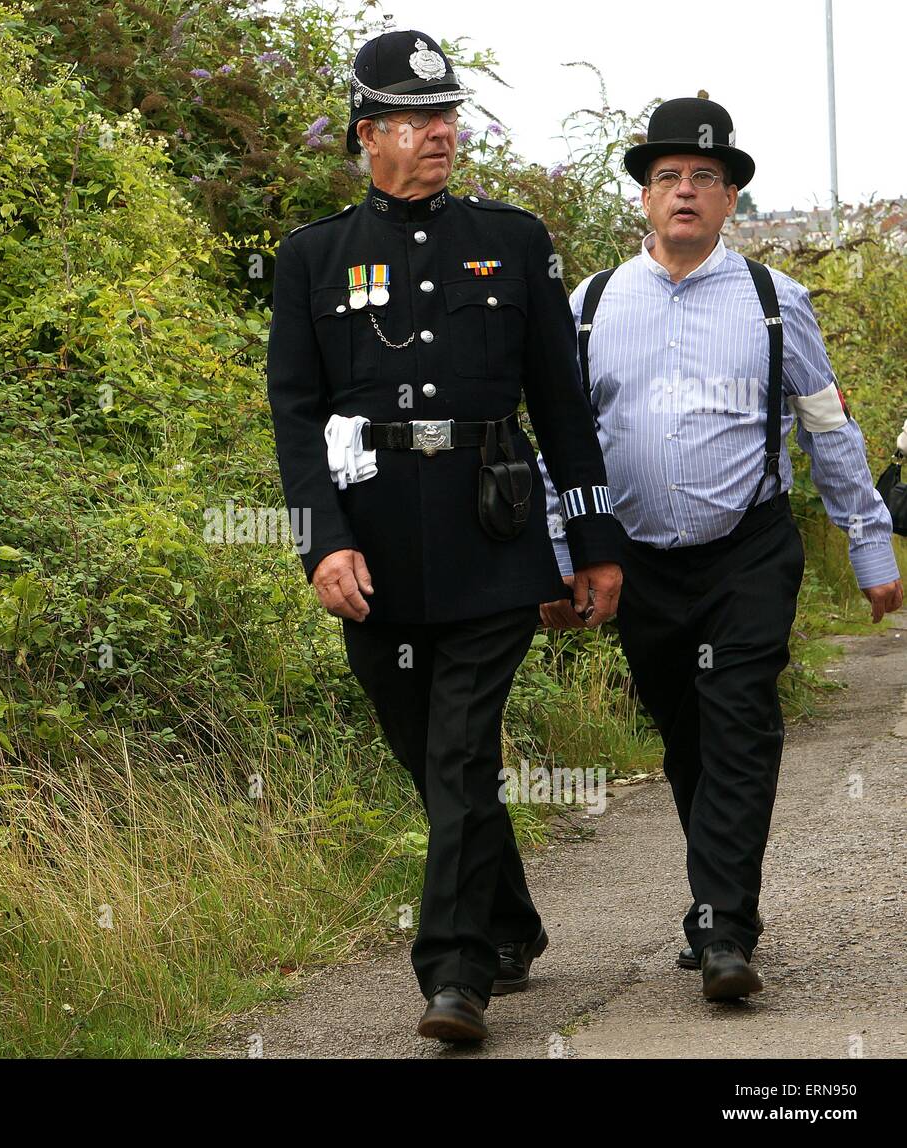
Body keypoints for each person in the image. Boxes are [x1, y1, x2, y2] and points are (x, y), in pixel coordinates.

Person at [265, 27, 623, 1042]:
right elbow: (294, 417)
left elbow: (561, 404)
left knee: (460, 753)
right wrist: (318, 541)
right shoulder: (311, 257)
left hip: (490, 538)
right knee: (433, 760)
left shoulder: (513, 240)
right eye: (417, 120)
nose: (440, 135)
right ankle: (507, 918)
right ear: (366, 134)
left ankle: (454, 973)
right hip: (373, 548)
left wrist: (590, 544)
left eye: (448, 117)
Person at [538, 97, 903, 1001]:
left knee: (741, 723)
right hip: (638, 561)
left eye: (706, 177)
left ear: (732, 198)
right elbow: (562, 442)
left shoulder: (778, 302)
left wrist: (869, 546)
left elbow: (828, 429)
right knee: (687, 738)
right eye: (669, 178)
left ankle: (725, 927)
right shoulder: (588, 306)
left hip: (748, 549)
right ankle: (717, 906)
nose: (687, 192)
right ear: (645, 198)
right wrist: (557, 551)